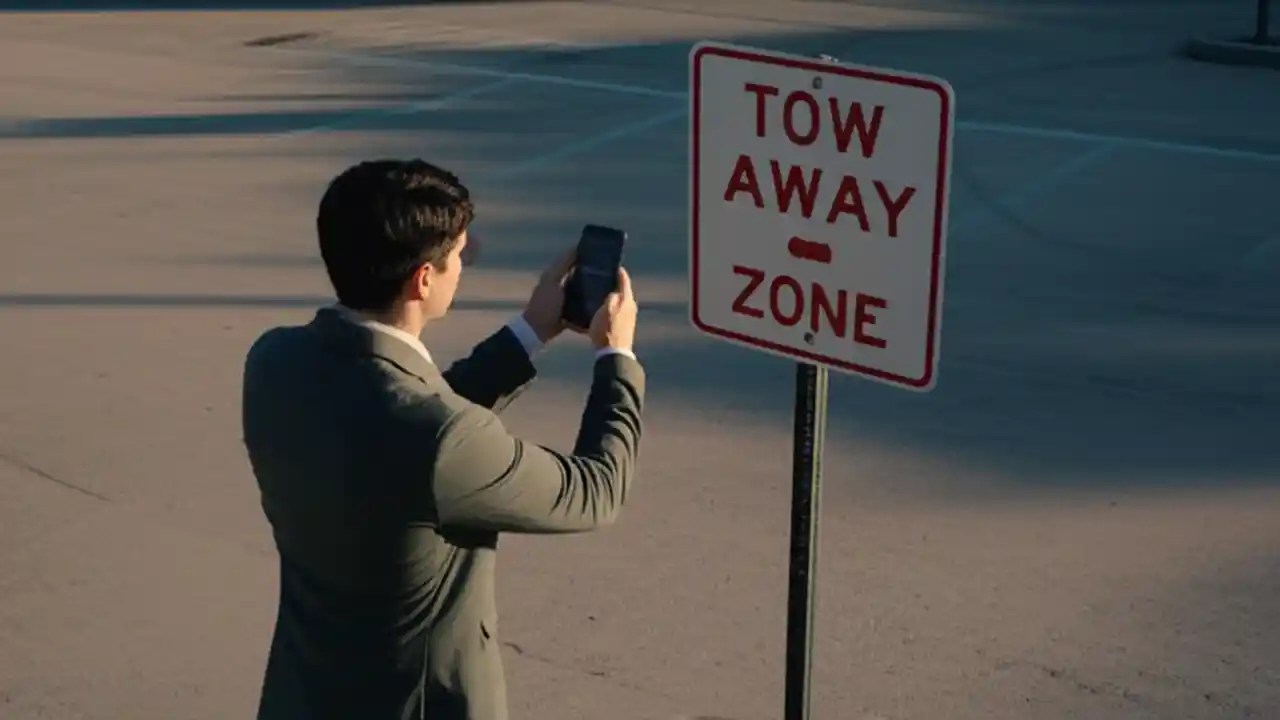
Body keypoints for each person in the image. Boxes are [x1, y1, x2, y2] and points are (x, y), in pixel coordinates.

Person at [240, 158, 644, 720]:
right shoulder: (441, 440)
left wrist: (530, 332)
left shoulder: (274, 361)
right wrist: (616, 357)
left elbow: (400, 420)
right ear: (423, 279)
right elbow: (594, 491)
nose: (463, 264)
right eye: (458, 255)